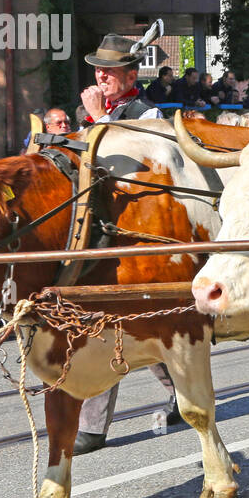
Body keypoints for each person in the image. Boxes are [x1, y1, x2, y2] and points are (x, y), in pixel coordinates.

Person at [74, 31, 179, 453]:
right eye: (98, 69)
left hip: (137, 227)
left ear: (130, 74)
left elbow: (136, 166)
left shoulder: (146, 110)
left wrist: (98, 120)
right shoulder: (95, 109)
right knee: (128, 322)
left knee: (116, 320)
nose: (101, 75)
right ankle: (181, 393)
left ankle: (92, 427)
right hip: (99, 226)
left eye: (110, 70)